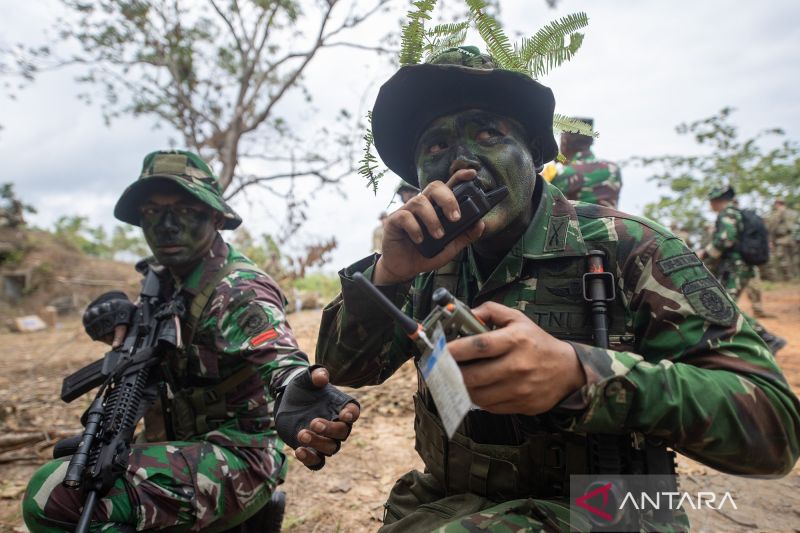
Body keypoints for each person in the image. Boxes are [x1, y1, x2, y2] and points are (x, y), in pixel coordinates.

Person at [316, 47, 800, 531]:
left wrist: (580, 375)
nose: (462, 159)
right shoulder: (424, 259)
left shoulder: (630, 246)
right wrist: (388, 274)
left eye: (489, 133)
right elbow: (347, 369)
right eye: (437, 146)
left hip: (608, 505)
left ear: (533, 153)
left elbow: (775, 429)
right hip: (452, 496)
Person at [22, 150, 360, 532]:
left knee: (51, 495)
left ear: (215, 217)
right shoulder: (165, 277)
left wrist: (294, 385)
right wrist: (115, 312)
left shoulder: (239, 288)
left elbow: (277, 352)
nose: (166, 226)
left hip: (239, 458)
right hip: (175, 444)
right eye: (152, 212)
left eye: (184, 210)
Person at [697, 185, 786, 352]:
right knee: (725, 305)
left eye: (710, 201)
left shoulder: (728, 213)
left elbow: (725, 240)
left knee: (724, 306)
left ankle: (767, 338)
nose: (709, 205)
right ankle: (765, 338)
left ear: (716, 201)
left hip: (735, 266)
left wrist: (704, 254)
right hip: (740, 265)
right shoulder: (736, 212)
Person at [550, 117, 622, 208]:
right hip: (614, 222)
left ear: (564, 142)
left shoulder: (562, 173)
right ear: (591, 141)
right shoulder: (613, 169)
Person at [765, 198, 798, 281]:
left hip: (782, 239)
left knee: (783, 258)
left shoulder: (779, 213)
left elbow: (772, 226)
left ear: (777, 204)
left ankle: (788, 278)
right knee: (793, 258)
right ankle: (794, 276)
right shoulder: (793, 213)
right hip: (792, 238)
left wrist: (770, 238)